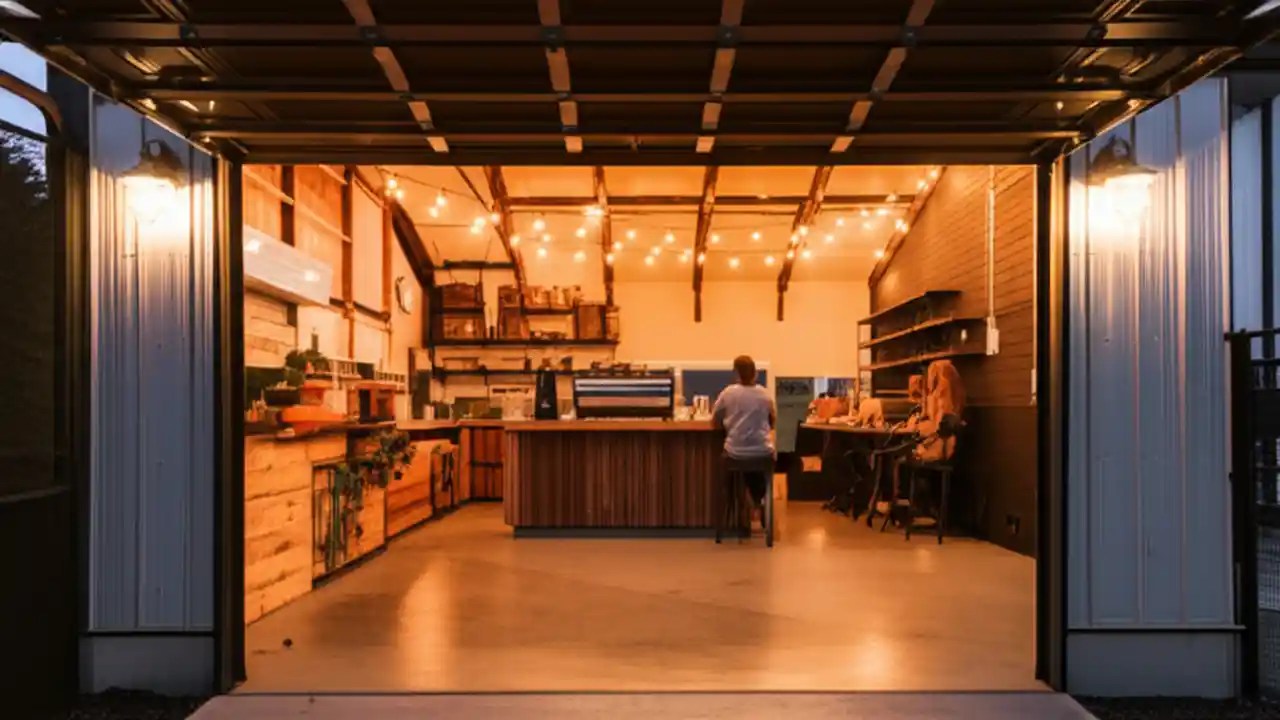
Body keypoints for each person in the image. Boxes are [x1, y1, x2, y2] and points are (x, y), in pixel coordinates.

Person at [711, 355, 776, 526]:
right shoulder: (765, 395)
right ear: (755, 373)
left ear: (736, 373)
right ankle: (759, 500)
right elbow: (772, 422)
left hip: (735, 452)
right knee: (757, 466)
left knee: (737, 463)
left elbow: (715, 421)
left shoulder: (728, 393)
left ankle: (734, 510)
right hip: (762, 451)